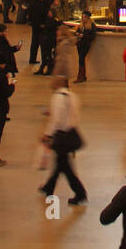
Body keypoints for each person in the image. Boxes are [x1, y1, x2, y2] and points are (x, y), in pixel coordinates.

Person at [40, 75, 87, 204]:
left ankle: (80, 193)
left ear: (58, 84)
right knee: (61, 165)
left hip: (62, 137)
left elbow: (57, 120)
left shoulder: (57, 97)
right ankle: (48, 188)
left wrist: (47, 134)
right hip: (71, 133)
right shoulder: (73, 96)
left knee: (65, 167)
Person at [75, 11, 97, 83]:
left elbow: (93, 36)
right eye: (82, 17)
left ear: (88, 17)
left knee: (81, 58)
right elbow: (77, 31)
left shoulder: (92, 25)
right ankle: (82, 76)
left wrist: (83, 36)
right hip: (80, 44)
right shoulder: (81, 25)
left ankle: (80, 76)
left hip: (86, 44)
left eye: (84, 17)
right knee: (81, 59)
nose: (83, 19)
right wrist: (77, 34)